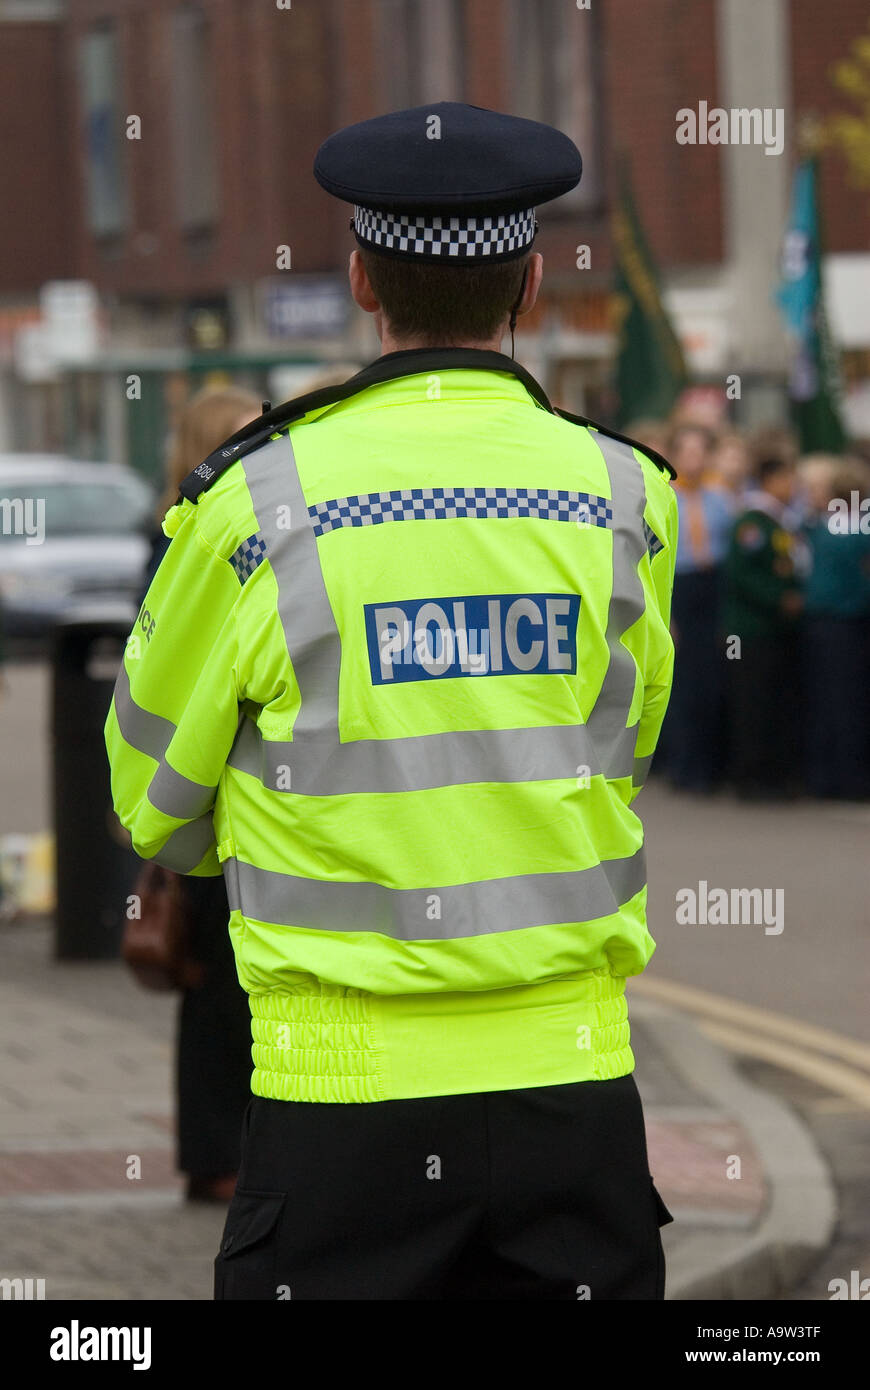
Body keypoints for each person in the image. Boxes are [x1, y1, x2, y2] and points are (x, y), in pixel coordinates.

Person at [105, 102, 677, 1300]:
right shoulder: (626, 495)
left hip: (339, 1108)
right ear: (527, 281)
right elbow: (619, 748)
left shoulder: (255, 505)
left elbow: (150, 804)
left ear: (362, 281)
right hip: (570, 1092)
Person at [141, 383, 262, 1202]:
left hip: (244, 792)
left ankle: (224, 1151)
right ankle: (213, 1158)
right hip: (206, 794)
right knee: (213, 984)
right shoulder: (187, 542)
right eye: (249, 434)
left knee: (232, 983)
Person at [722, 455, 807, 800]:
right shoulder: (752, 523)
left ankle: (776, 775)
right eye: (786, 479)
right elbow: (742, 575)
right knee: (752, 705)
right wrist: (778, 599)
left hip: (777, 631)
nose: (792, 487)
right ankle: (750, 778)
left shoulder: (782, 522)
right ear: (769, 480)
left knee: (776, 704)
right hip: (750, 631)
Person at [660, 422, 733, 792]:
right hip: (680, 589)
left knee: (712, 679)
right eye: (687, 450)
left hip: (713, 586)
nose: (695, 458)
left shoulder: (720, 497)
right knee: (681, 681)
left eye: (700, 450)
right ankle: (683, 766)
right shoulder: (663, 496)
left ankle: (709, 766)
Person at [799, 453, 870, 800]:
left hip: (818, 625)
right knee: (850, 704)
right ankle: (851, 780)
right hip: (848, 624)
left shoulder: (818, 527)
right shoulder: (858, 532)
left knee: (823, 702)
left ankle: (822, 777)